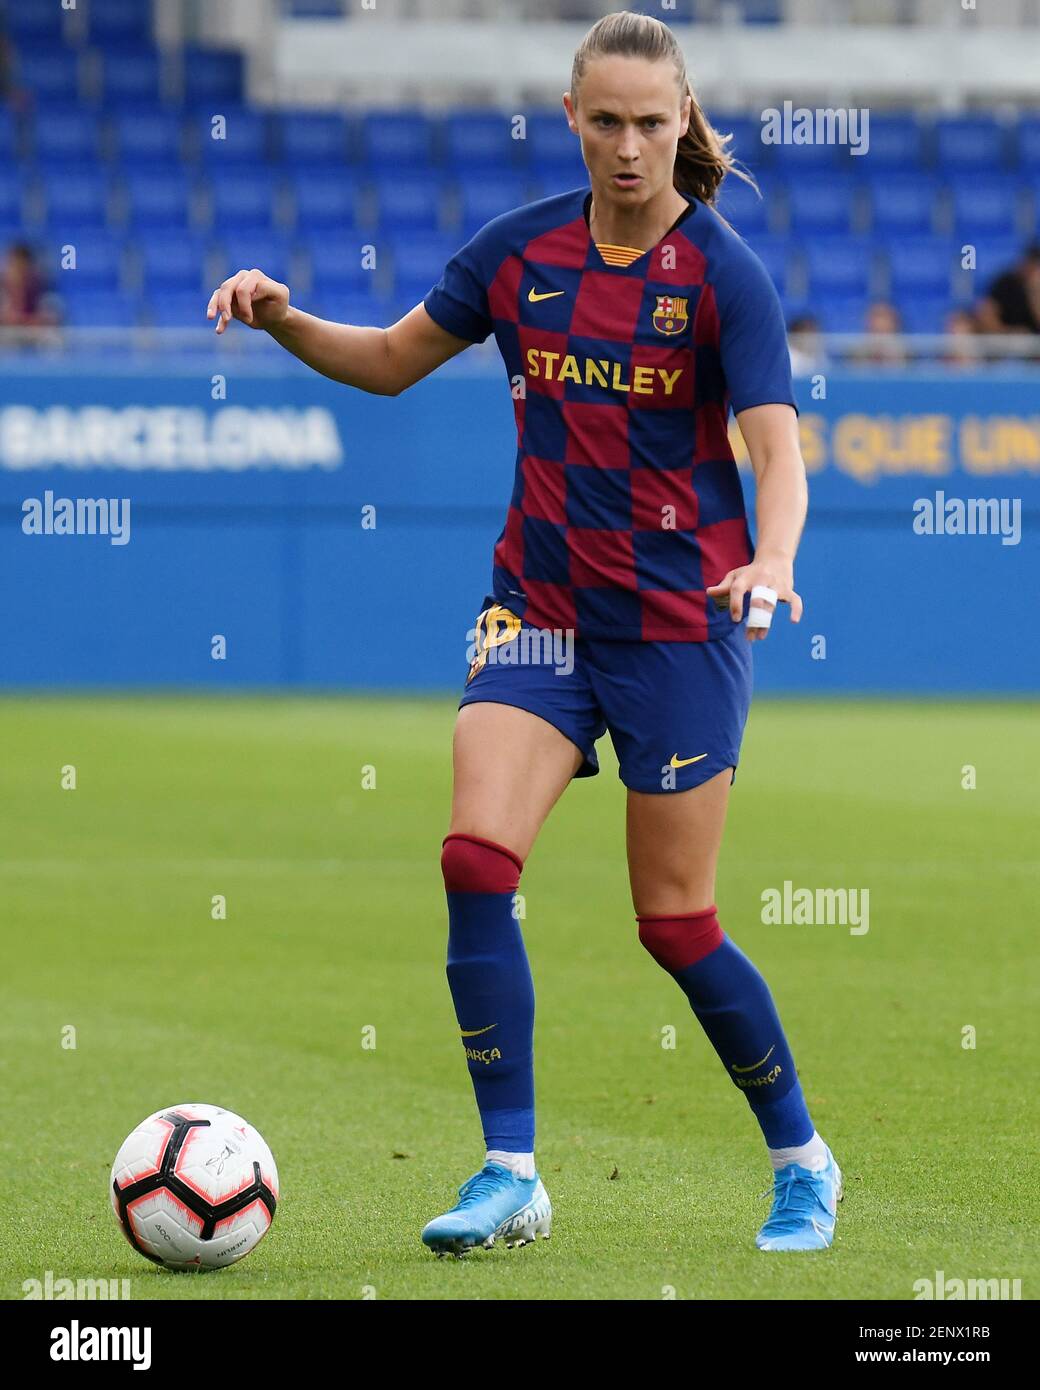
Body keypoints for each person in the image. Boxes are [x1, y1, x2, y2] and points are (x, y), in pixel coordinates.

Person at [207, 9, 842, 1257]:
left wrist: (769, 560)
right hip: (536, 614)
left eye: (649, 123)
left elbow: (777, 447)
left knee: (674, 924)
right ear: (569, 118)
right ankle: (510, 1171)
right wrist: (284, 317)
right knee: (472, 861)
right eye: (603, 121)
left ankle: (802, 1160)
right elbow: (392, 361)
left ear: (681, 122)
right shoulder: (517, 254)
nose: (626, 145)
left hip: (674, 627)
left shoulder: (722, 274)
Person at [975, 242, 1040, 336]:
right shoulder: (1006, 283)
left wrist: (1035, 292)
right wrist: (1008, 333)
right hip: (1003, 339)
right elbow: (986, 310)